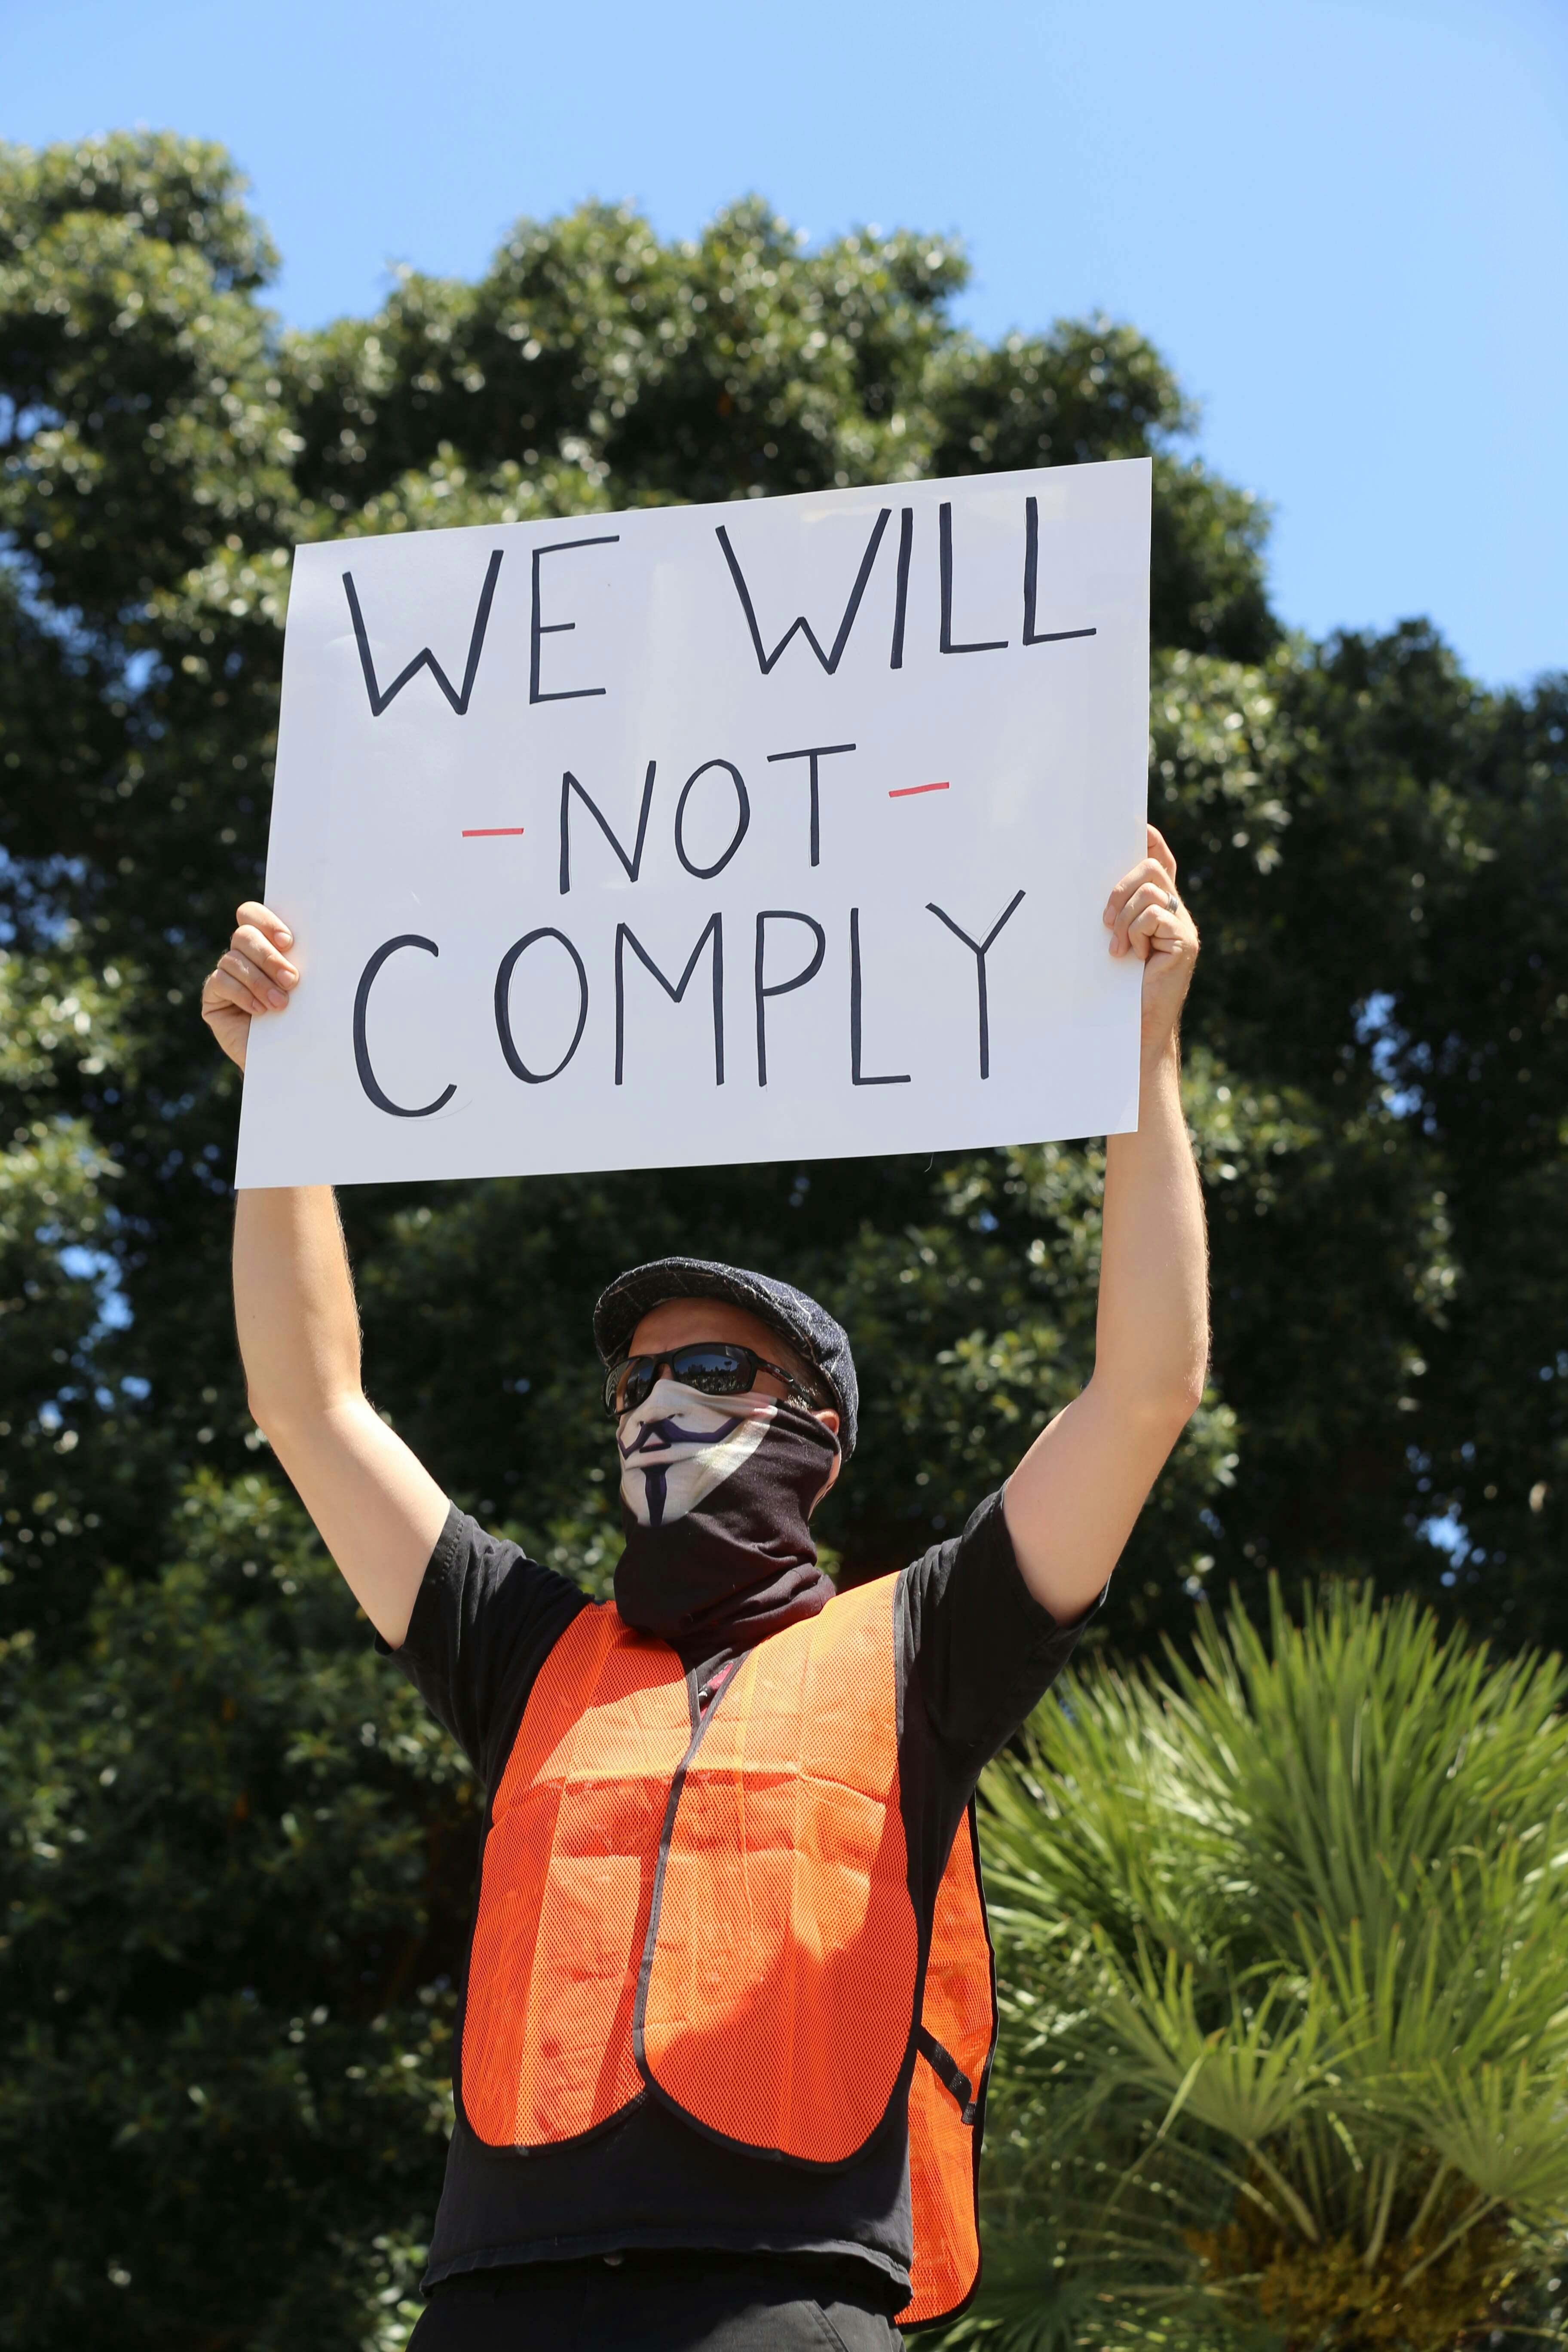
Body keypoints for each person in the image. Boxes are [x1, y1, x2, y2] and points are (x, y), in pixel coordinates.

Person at [200, 826, 1207, 2351]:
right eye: (635, 1384)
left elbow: (1140, 1395)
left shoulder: (922, 1645)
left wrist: (1146, 1055)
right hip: (493, 2303)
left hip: (792, 2298)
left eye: (717, 1371)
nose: (658, 1405)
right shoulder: (521, 1649)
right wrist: (285, 1092)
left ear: (821, 1429)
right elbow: (311, 1406)